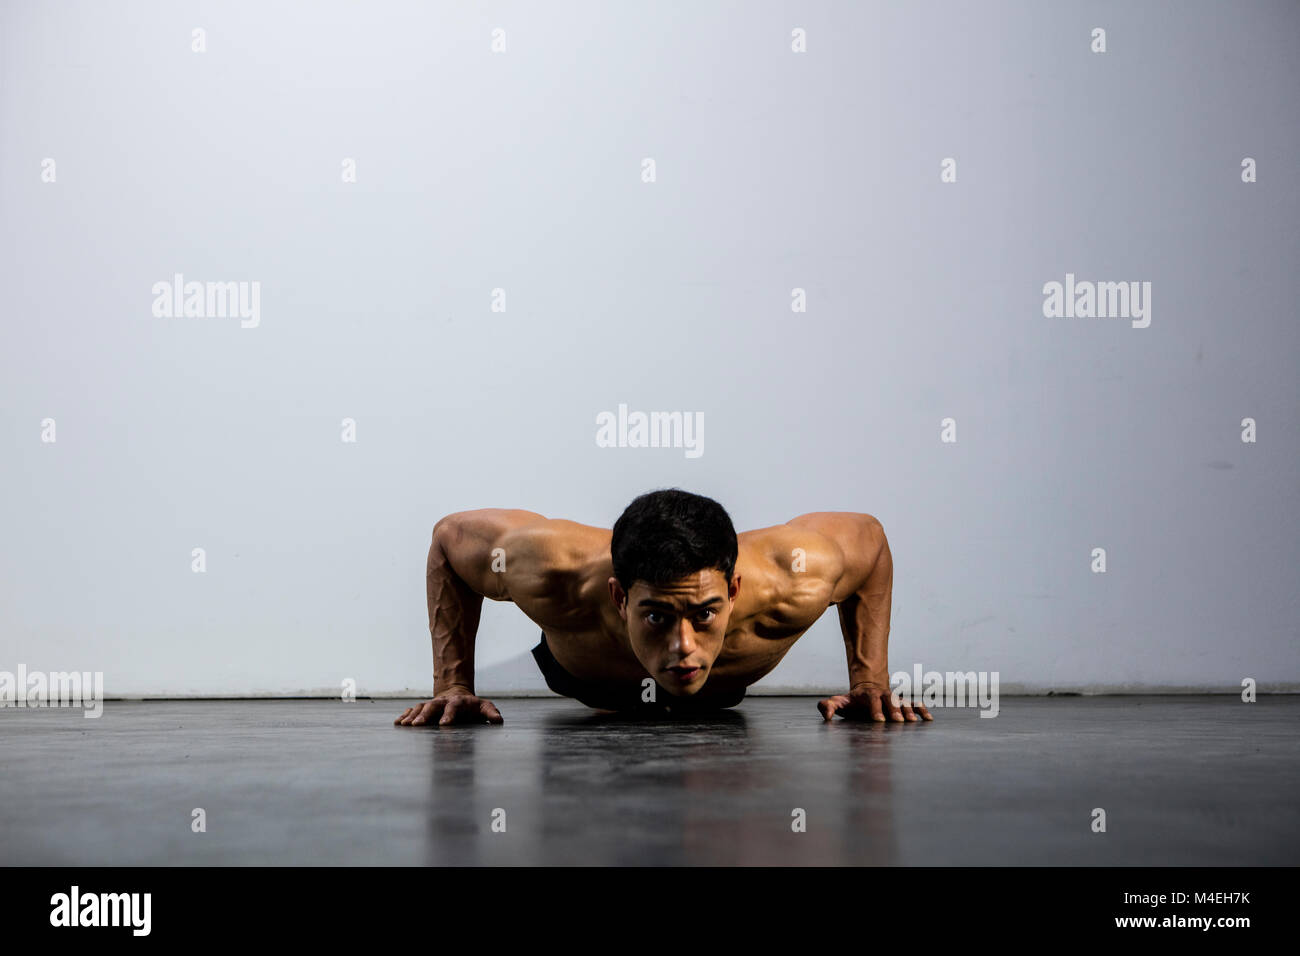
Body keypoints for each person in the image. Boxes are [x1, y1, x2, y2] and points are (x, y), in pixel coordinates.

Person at [395, 488, 932, 725]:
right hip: (589, 675)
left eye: (704, 614)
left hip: (719, 694)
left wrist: (869, 681)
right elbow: (450, 539)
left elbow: (871, 541)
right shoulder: (554, 572)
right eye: (656, 617)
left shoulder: (795, 575)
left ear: (736, 592)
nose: (683, 647)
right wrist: (453, 686)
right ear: (618, 596)